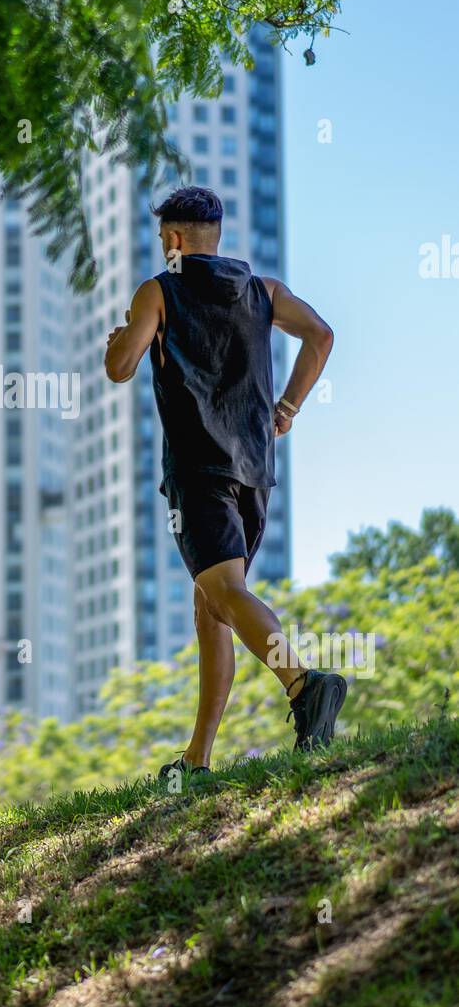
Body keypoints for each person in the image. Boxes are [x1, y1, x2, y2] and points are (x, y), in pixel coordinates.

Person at [103, 185, 343, 776]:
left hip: (199, 470)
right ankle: (197, 758)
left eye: (164, 238)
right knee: (212, 602)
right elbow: (321, 336)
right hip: (255, 474)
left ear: (176, 239)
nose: (163, 248)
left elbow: (120, 367)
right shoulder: (263, 292)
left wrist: (120, 339)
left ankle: (304, 684)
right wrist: (287, 407)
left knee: (226, 593)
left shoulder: (159, 291)